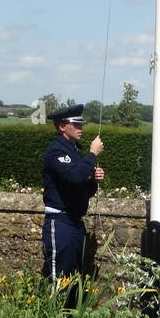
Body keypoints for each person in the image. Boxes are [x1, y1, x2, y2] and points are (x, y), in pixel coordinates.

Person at [41, 104, 104, 287]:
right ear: (62, 126)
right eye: (76, 124)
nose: (80, 128)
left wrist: (93, 179)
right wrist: (92, 154)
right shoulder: (56, 151)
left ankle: (69, 315)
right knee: (59, 279)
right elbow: (74, 176)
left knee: (74, 279)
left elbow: (81, 188)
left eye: (81, 124)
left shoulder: (74, 151)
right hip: (60, 222)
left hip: (75, 222)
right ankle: (53, 314)